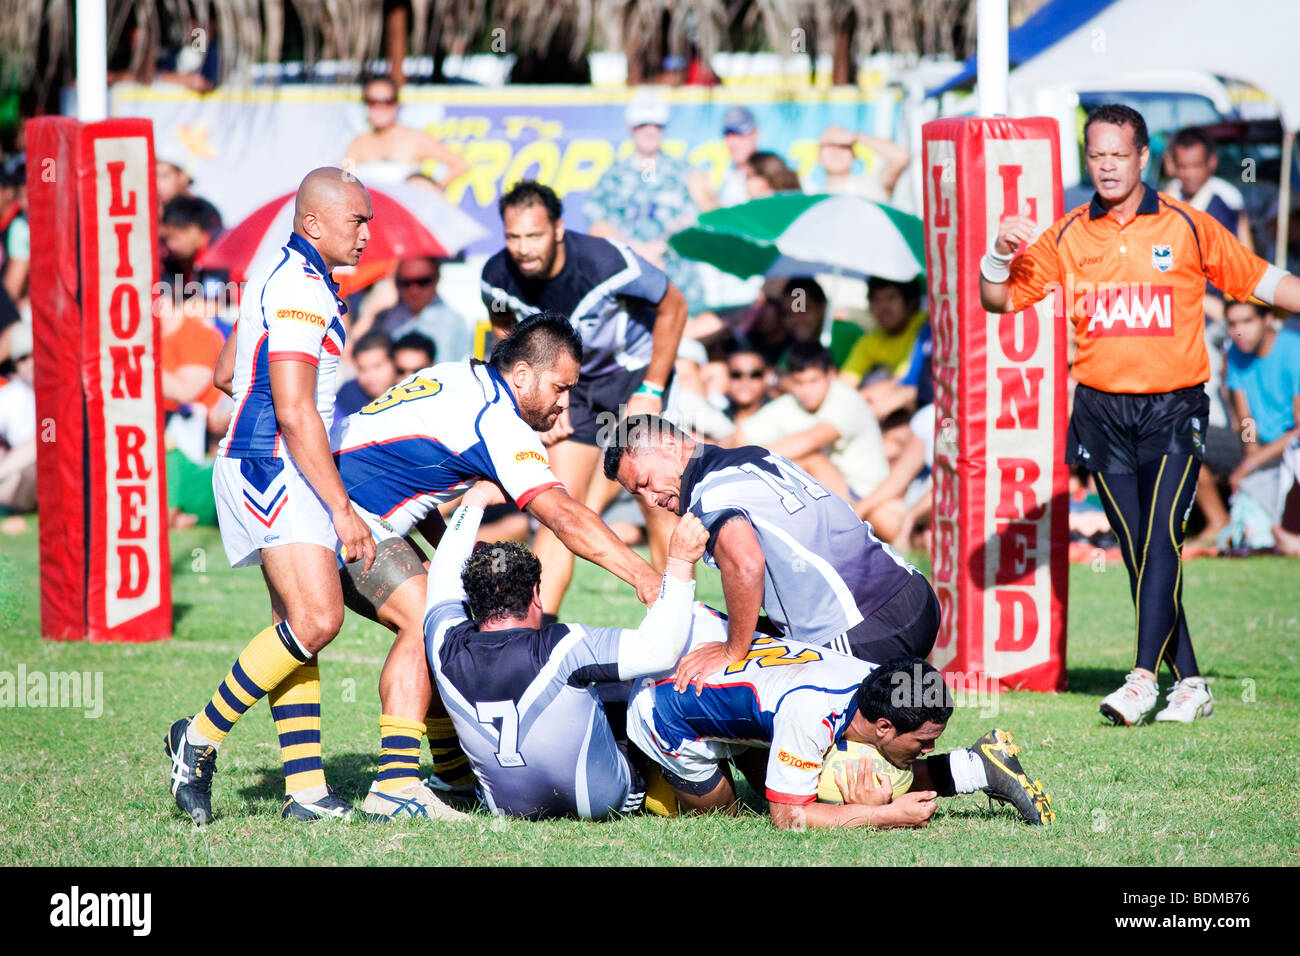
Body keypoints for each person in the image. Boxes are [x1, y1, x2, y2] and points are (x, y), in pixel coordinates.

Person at [978, 104, 1300, 725]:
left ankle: (1141, 679)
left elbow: (1259, 280)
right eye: (1096, 156)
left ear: (1143, 157)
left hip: (1175, 406)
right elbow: (998, 301)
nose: (1106, 167)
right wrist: (997, 253)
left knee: (1161, 541)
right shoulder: (1069, 233)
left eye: (1118, 156)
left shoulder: (1188, 225)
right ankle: (1193, 684)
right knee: (1139, 550)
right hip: (1100, 410)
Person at [329, 313, 665, 815]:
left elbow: (409, 477)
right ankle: (394, 787)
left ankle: (454, 778)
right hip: (343, 519)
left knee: (448, 614)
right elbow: (564, 517)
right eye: (560, 387)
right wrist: (644, 576)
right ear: (524, 375)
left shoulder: (459, 373)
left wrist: (455, 558)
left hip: (331, 501)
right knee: (428, 621)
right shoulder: (501, 423)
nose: (564, 403)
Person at [164, 167, 381, 827]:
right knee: (318, 619)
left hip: (268, 460)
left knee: (299, 629)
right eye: (357, 221)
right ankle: (196, 740)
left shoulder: (283, 274)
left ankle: (308, 792)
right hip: (276, 467)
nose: (367, 234)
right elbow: (293, 408)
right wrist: (341, 506)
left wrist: (259, 423)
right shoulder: (301, 289)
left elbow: (229, 372)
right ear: (313, 221)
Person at [423, 481, 709, 819]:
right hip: (605, 799)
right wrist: (679, 564)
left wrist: (474, 501)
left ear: (472, 598)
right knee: (642, 683)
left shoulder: (443, 642)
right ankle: (662, 788)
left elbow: (442, 575)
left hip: (504, 808)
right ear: (535, 595)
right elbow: (661, 651)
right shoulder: (563, 644)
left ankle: (450, 778)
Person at [604, 414, 938, 688]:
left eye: (646, 482)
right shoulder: (755, 455)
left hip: (865, 627)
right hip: (916, 595)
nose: (650, 500)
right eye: (637, 494)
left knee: (733, 691)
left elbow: (746, 565)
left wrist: (732, 651)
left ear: (670, 446)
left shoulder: (711, 494)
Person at [480, 181, 687, 621]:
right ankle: (533, 632)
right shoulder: (495, 276)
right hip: (569, 386)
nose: (523, 248)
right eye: (513, 237)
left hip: (632, 379)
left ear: (557, 228)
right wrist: (537, 399)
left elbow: (675, 305)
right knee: (562, 508)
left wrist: (650, 389)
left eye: (533, 235)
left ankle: (677, 619)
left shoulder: (605, 261)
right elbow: (506, 334)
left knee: (654, 499)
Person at [627, 648, 1054, 828]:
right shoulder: (812, 715)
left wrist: (858, 807)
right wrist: (885, 816)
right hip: (667, 718)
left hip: (748, 713)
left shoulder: (871, 682)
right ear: (883, 727)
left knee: (836, 784)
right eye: (923, 742)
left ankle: (977, 765)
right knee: (729, 815)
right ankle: (650, 775)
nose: (929, 749)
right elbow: (788, 820)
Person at [583, 90, 708, 311]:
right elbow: (597, 225)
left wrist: (658, 248)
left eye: (656, 125)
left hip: (680, 287)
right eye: (643, 124)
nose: (650, 131)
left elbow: (698, 220)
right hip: (627, 290)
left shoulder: (686, 173)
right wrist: (637, 253)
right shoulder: (612, 177)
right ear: (631, 128)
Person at [725, 342, 888, 509]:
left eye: (813, 381)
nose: (806, 390)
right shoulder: (791, 403)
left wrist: (749, 460)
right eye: (799, 382)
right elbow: (741, 437)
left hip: (873, 494)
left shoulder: (846, 399)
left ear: (830, 374)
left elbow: (809, 440)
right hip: (836, 490)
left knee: (809, 458)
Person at [1224, 301, 1300, 516]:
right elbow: (1246, 419)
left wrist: (1252, 462)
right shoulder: (1235, 355)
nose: (1239, 331)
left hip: (1292, 449)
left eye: (1247, 321)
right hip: (1264, 451)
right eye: (1232, 324)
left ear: (1267, 319)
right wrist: (1251, 453)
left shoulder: (1294, 350)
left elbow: (1299, 428)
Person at [344, 74, 470, 192]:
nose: (380, 108)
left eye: (387, 101)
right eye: (373, 101)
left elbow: (460, 164)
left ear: (397, 104)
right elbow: (345, 180)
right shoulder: (357, 144)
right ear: (366, 105)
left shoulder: (415, 138)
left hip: (405, 211)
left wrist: (431, 191)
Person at [1164, 127, 1254, 254]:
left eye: (1196, 166)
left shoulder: (1228, 197)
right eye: (1183, 166)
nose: (1190, 174)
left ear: (1211, 162)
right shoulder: (1170, 193)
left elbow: (1245, 249)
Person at [838, 276, 929, 398]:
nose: (883, 307)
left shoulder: (926, 327)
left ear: (911, 301)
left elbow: (906, 380)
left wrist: (865, 396)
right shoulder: (870, 339)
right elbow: (845, 383)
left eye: (891, 298)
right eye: (876, 300)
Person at [815, 124, 910, 203]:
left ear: (853, 156)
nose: (836, 151)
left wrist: (855, 137)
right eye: (829, 145)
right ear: (818, 156)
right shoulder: (811, 196)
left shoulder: (872, 185)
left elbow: (900, 157)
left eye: (843, 146)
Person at [0, 320, 35, 514]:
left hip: (48, 474)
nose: (31, 363)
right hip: (16, 476)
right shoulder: (12, 395)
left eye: (34, 355)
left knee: (43, 442)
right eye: (23, 357)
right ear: (15, 364)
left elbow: (47, 441)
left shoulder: (59, 391)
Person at [159, 194, 223, 286]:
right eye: (166, 239)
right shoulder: (174, 264)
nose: (171, 245)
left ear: (194, 230)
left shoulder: (222, 254)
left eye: (176, 238)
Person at [334, 329, 397, 418]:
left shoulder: (412, 386)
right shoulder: (347, 397)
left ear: (395, 363)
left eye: (377, 366)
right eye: (362, 369)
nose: (371, 377)